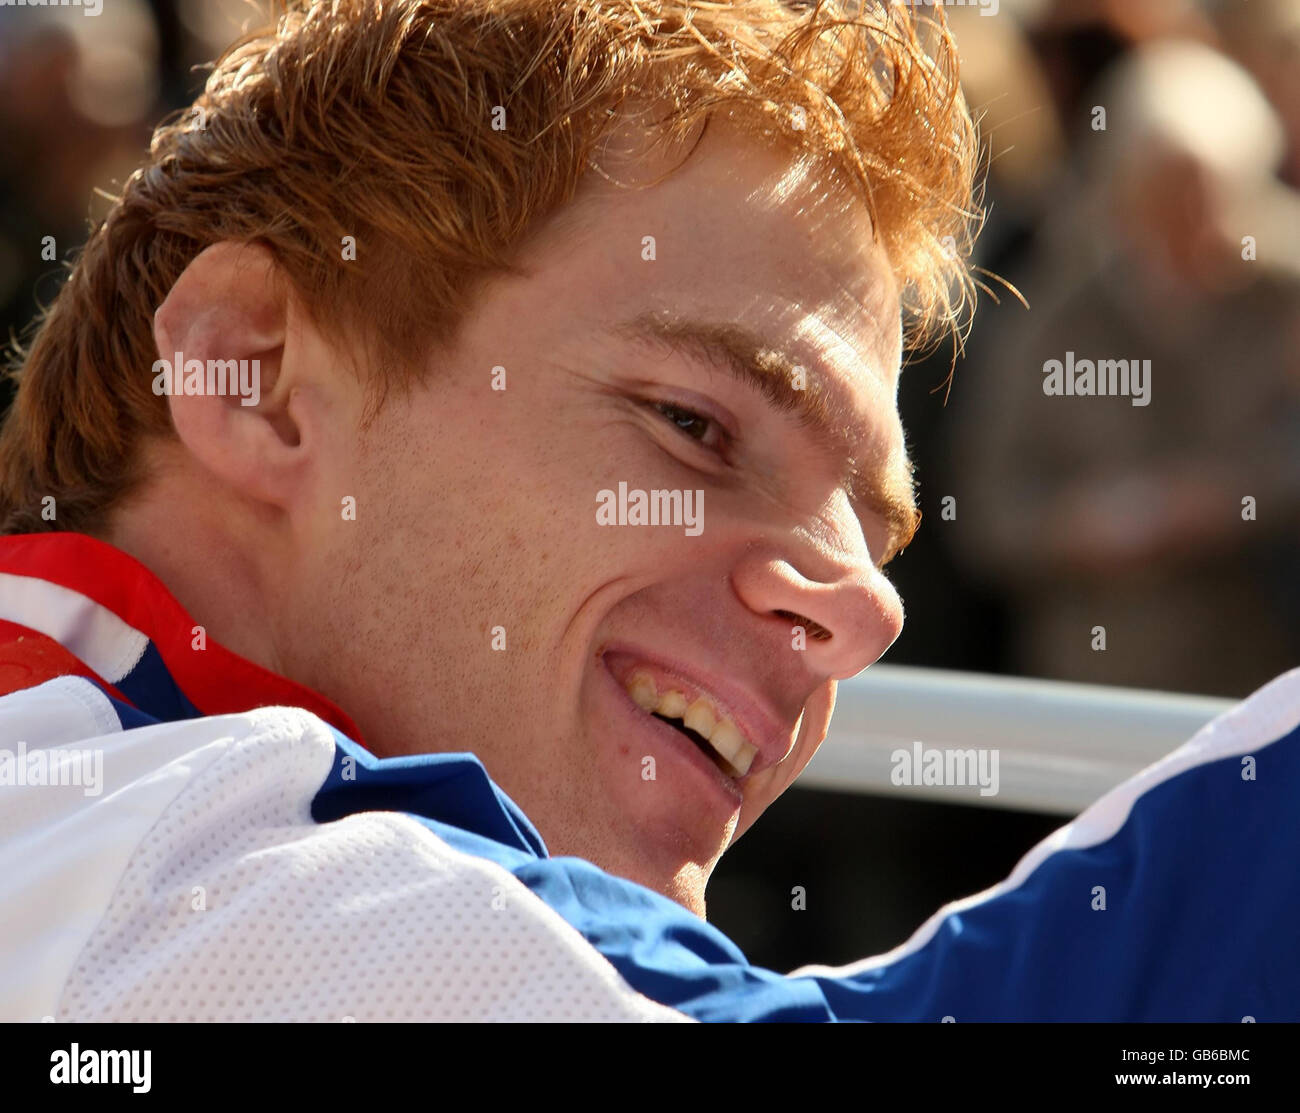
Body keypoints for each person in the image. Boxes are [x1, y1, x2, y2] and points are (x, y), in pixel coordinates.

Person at [0, 0, 1296, 1022]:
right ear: (260, 380)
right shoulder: (171, 864)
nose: (863, 607)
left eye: (875, 535)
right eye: (696, 424)